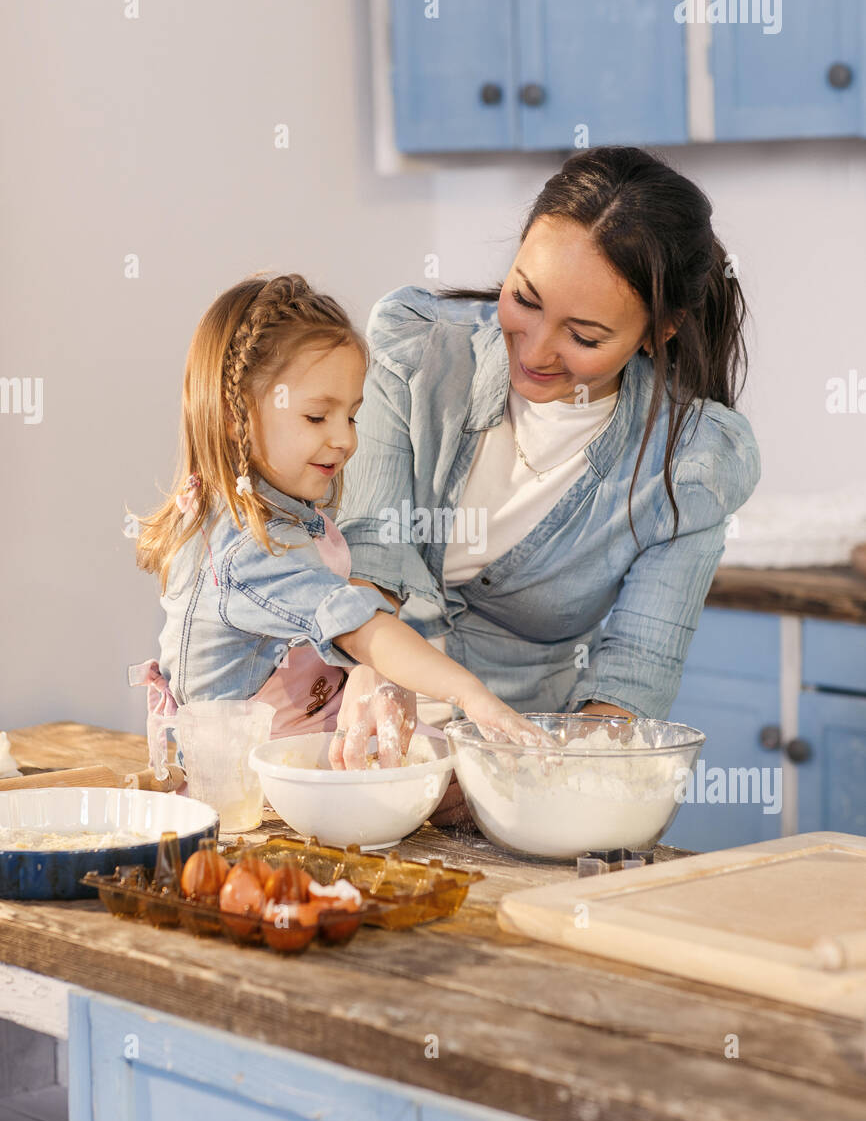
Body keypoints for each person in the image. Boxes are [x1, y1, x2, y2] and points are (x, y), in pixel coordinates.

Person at [333, 147, 760, 819]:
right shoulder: (415, 349)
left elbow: (632, 683)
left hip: (520, 790)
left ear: (661, 330)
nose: (532, 352)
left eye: (583, 336)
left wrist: (512, 784)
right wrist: (381, 679)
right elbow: (373, 554)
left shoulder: (691, 461)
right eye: (523, 300)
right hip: (349, 744)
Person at [132, 273, 549, 762]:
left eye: (351, 415)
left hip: (298, 747)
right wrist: (471, 695)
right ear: (234, 416)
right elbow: (363, 627)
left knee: (458, 769)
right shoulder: (246, 550)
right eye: (317, 417)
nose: (347, 440)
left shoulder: (286, 514)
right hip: (240, 788)